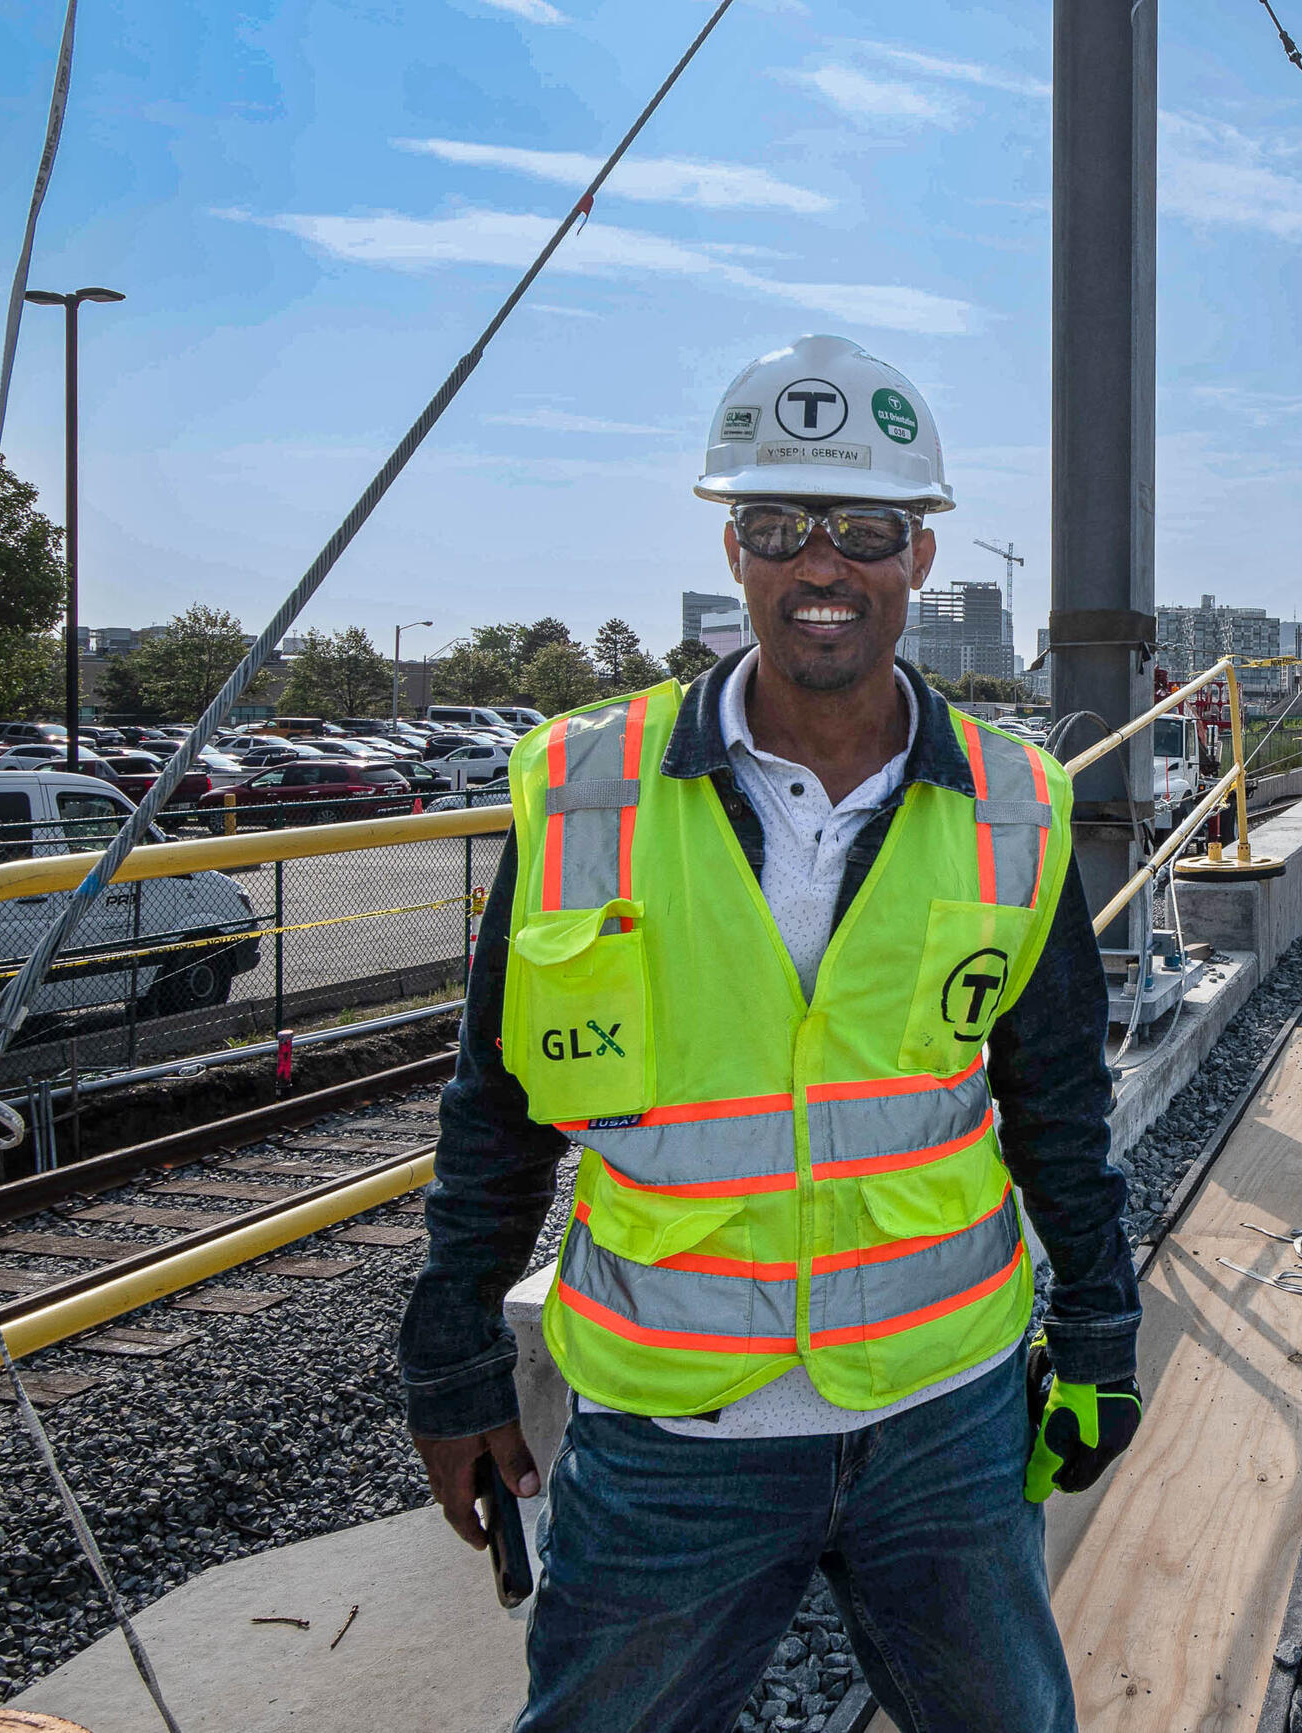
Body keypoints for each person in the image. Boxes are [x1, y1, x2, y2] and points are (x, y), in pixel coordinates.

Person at [397, 334, 1142, 1732]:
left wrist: (1101, 1329)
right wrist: (452, 1360)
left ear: (920, 553)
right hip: (677, 1429)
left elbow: (1057, 1103)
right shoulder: (581, 792)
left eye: (865, 526)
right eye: (779, 523)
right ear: (731, 546)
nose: (823, 564)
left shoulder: (1015, 803)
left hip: (945, 1411)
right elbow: (494, 1107)